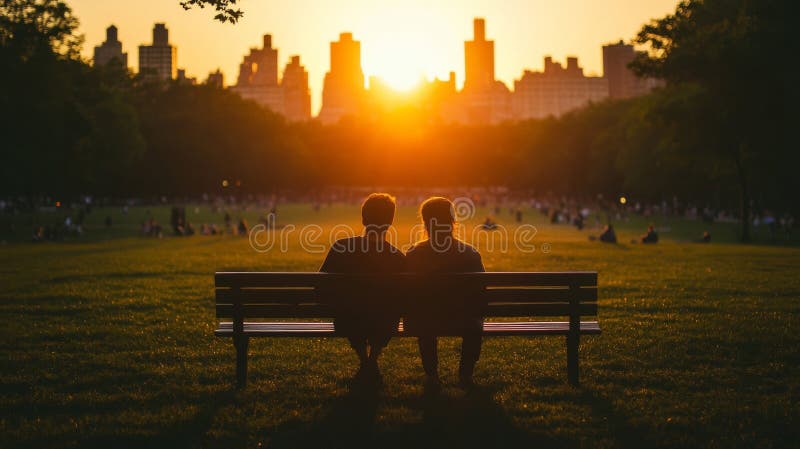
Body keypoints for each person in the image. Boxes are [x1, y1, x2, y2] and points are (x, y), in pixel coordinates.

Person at [319, 193, 406, 384]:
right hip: (383, 322)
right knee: (387, 311)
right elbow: (403, 298)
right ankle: (371, 360)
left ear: (364, 218)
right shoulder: (398, 257)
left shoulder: (341, 247)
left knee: (351, 308)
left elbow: (321, 286)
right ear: (390, 222)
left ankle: (365, 361)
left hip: (348, 320)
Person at [405, 196, 486, 390]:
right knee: (474, 319)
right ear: (453, 221)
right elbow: (481, 294)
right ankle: (465, 374)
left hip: (424, 319)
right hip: (465, 319)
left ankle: (432, 374)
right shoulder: (470, 253)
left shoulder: (414, 254)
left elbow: (407, 294)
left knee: (424, 317)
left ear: (425, 223)